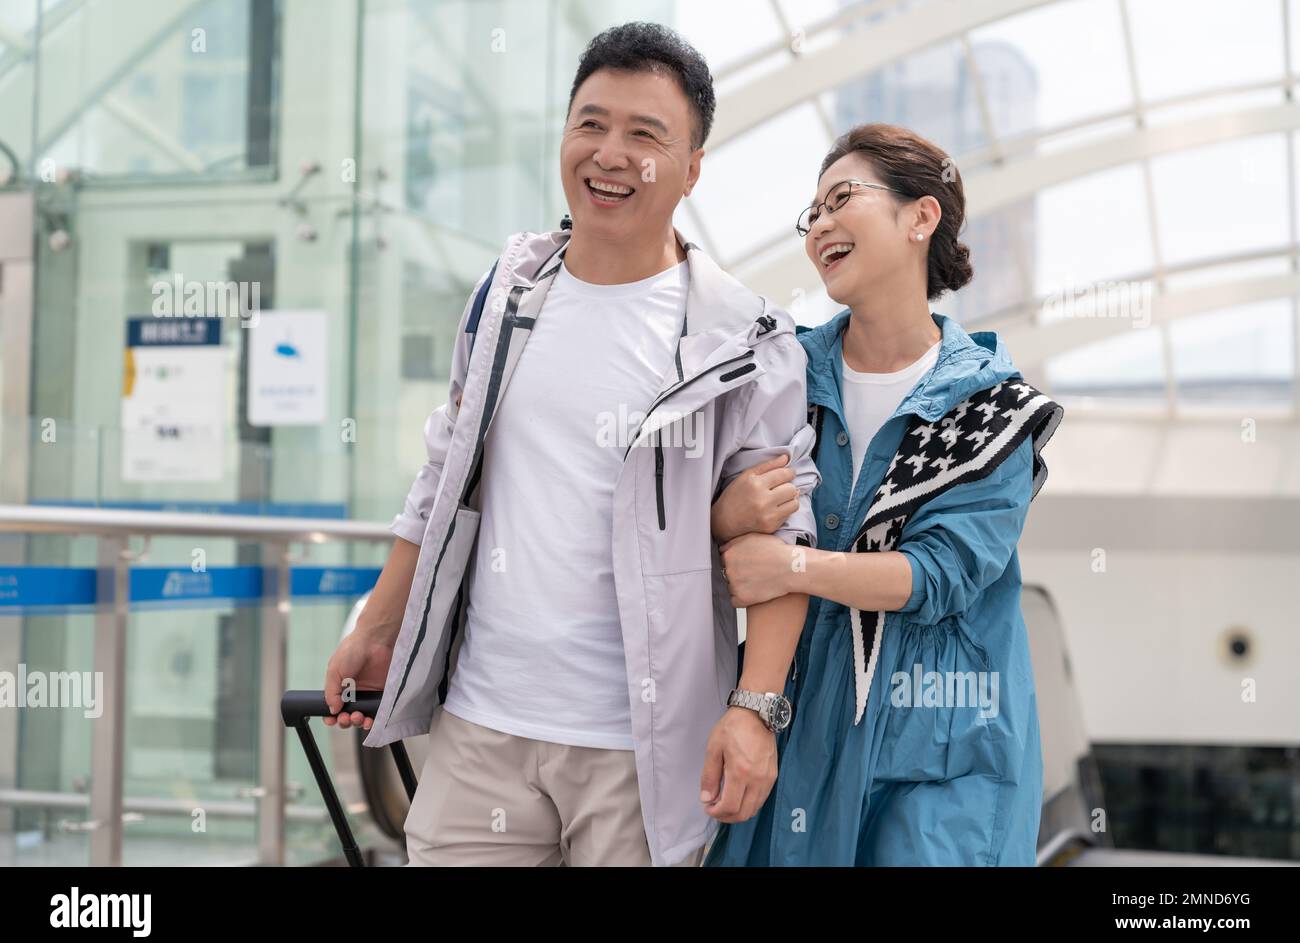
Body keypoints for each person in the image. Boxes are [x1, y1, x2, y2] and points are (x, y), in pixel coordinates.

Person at [321, 21, 820, 867]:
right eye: (590, 124)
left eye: (644, 134)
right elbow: (445, 473)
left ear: (692, 166)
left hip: (641, 751)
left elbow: (782, 542)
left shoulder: (743, 337)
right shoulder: (507, 296)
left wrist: (755, 710)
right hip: (480, 730)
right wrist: (380, 621)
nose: (610, 154)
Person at [703, 124, 1064, 866]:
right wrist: (725, 517)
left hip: (942, 751)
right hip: (795, 723)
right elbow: (696, 529)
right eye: (812, 214)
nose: (821, 227)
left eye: (842, 199)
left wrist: (796, 569)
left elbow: (940, 574)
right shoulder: (783, 374)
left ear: (919, 217)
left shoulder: (991, 407)